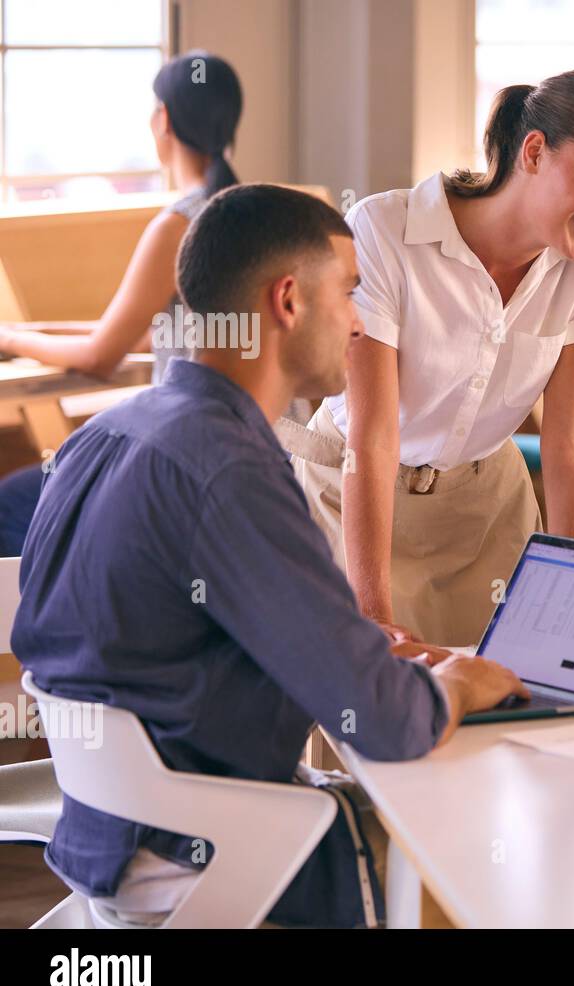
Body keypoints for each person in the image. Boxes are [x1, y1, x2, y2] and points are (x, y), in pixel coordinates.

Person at [13, 184, 527, 928]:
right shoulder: (229, 468)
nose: (358, 323)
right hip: (207, 848)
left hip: (104, 837)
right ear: (288, 300)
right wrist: (464, 683)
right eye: (350, 293)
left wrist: (353, 653)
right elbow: (384, 722)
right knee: (496, 861)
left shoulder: (111, 431)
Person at [280, 69, 574, 648]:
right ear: (534, 152)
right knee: (365, 708)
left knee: (512, 701)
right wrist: (373, 614)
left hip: (485, 512)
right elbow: (372, 437)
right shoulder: (385, 231)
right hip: (355, 498)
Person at [0, 50, 243, 556]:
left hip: (181, 457)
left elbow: (100, 356)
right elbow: (133, 328)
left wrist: (9, 337)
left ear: (164, 120)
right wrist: (38, 329)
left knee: (8, 504)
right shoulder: (249, 210)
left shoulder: (178, 224)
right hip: (235, 450)